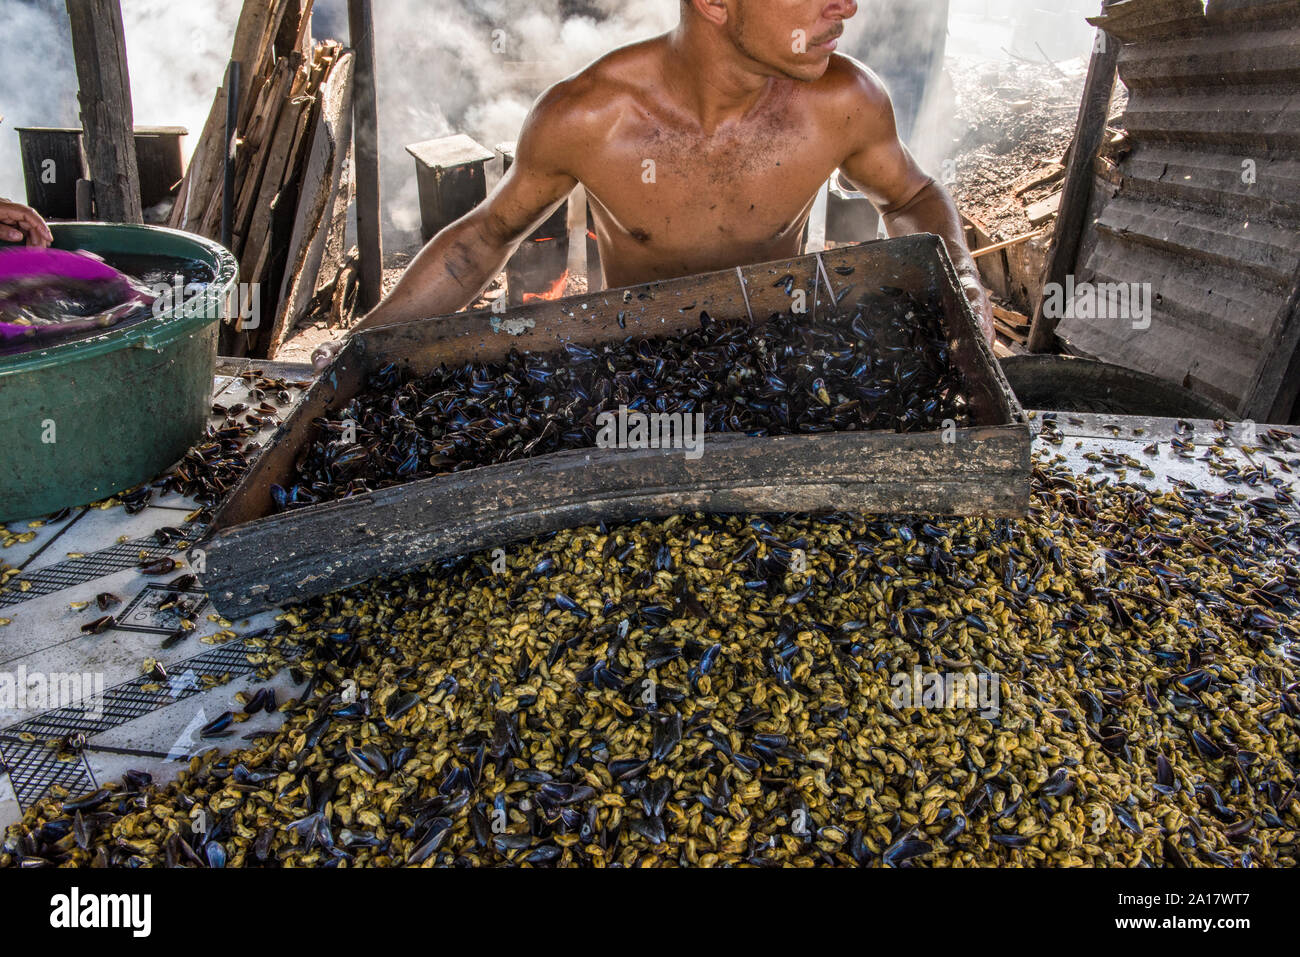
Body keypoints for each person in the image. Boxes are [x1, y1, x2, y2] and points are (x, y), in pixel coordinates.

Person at [314, 0, 992, 370]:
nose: (846, 6)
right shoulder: (587, 118)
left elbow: (908, 197)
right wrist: (358, 349)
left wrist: (962, 278)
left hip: (774, 363)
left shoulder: (846, 102)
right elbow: (478, 243)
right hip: (631, 371)